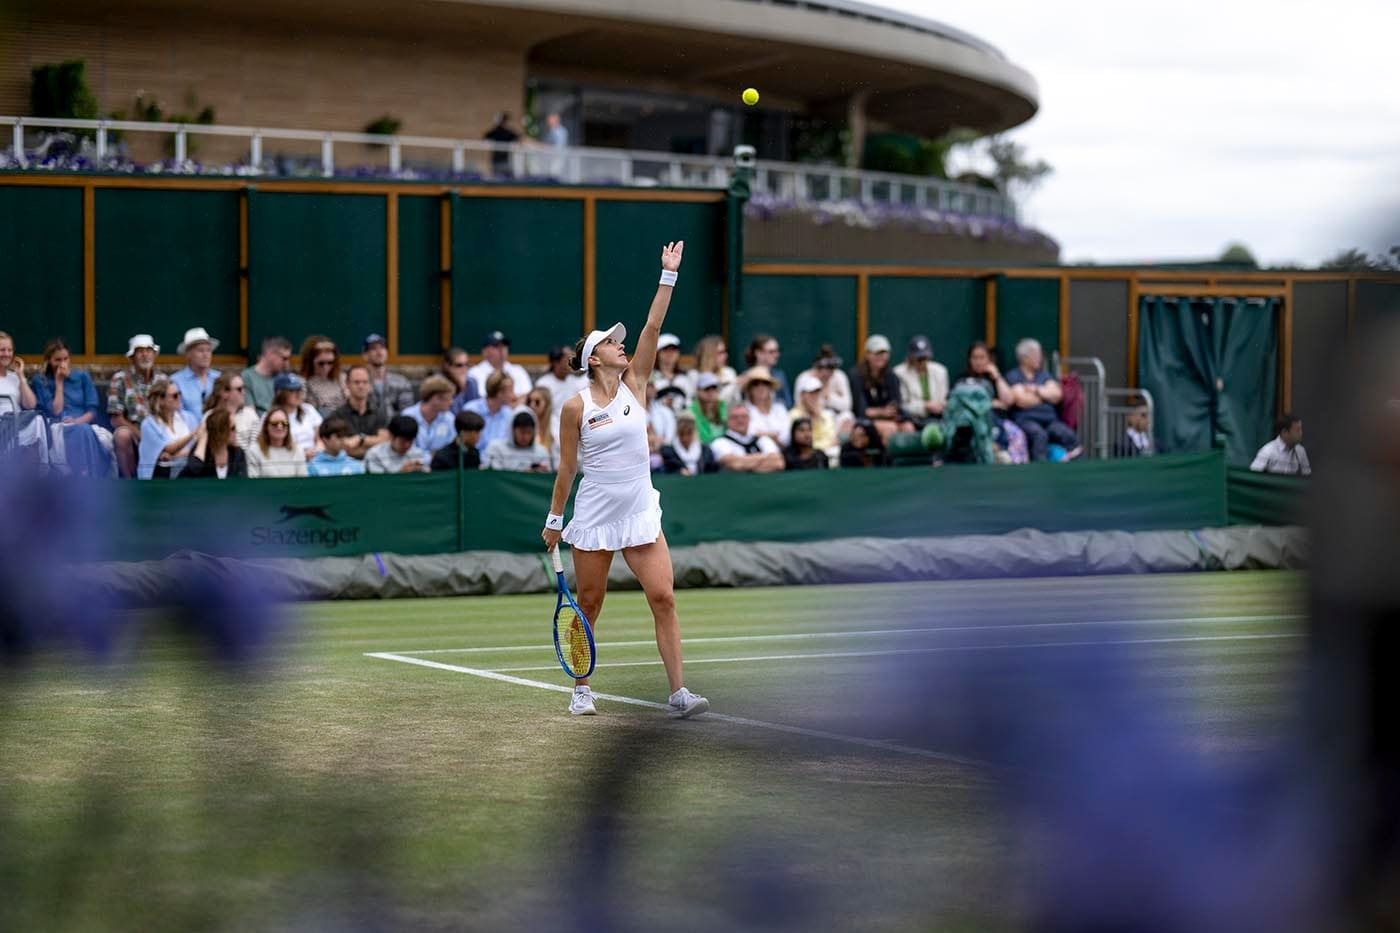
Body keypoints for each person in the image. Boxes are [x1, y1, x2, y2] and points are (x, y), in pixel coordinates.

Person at [542, 239, 709, 719]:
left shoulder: (636, 383)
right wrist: (555, 519)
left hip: (638, 508)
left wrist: (668, 274)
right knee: (589, 603)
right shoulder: (575, 407)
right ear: (594, 359)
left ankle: (678, 693)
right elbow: (566, 469)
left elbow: (653, 325)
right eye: (611, 342)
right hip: (596, 511)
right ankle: (581, 689)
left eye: (620, 342)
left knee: (664, 597)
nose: (621, 345)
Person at [31, 337, 114, 474]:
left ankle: (83, 474)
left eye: (66, 359)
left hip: (82, 424)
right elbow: (56, 411)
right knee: (81, 432)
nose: (62, 363)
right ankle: (90, 475)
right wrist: (59, 382)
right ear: (49, 361)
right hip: (57, 426)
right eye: (57, 360)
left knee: (83, 430)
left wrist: (76, 422)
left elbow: (92, 412)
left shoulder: (82, 377)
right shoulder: (41, 380)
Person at [1004, 338, 1081, 462]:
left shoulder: (1044, 374)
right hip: (1026, 420)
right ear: (1024, 358)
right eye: (1036, 355)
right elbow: (1021, 400)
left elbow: (1058, 395)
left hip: (1050, 421)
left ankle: (1078, 468)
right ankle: (1040, 470)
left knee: (1067, 434)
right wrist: (1045, 395)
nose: (1040, 358)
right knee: (1039, 435)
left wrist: (1035, 390)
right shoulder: (1013, 376)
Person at [107, 333, 163, 477]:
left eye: (149, 350)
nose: (145, 355)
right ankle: (130, 482)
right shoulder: (119, 379)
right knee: (122, 435)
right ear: (132, 357)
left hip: (160, 433)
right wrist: (142, 436)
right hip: (134, 433)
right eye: (140, 351)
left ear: (154, 354)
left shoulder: (163, 380)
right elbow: (116, 419)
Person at [851, 334, 915, 443]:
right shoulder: (856, 376)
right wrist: (881, 412)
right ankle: (887, 455)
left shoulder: (891, 376)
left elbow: (895, 403)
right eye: (877, 353)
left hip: (889, 419)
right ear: (867, 354)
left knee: (908, 427)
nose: (881, 357)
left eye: (884, 353)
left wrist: (892, 411)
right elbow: (861, 410)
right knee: (890, 428)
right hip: (863, 421)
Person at [138, 378, 198, 479]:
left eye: (179, 394)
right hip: (160, 478)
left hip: (189, 473)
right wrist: (193, 434)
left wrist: (176, 455)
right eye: (175, 396)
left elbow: (198, 447)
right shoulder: (149, 424)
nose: (179, 398)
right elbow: (170, 449)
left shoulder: (189, 418)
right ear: (160, 400)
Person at [333, 364, 391, 459]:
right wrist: (372, 444)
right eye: (357, 382)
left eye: (365, 382)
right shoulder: (337, 415)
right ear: (347, 384)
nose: (361, 386)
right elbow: (342, 447)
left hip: (376, 463)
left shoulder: (379, 412)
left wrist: (360, 439)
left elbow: (385, 441)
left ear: (370, 385)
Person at [795, 346, 854, 435]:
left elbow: (847, 406)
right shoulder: (804, 378)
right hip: (811, 418)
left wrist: (829, 397)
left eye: (832, 369)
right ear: (817, 367)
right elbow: (799, 404)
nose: (829, 373)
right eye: (826, 368)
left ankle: (838, 443)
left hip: (833, 419)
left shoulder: (839, 376)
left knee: (847, 416)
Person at [709, 404, 784, 473]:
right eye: (735, 417)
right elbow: (734, 464)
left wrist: (745, 464)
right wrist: (763, 457)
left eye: (744, 417)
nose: (740, 420)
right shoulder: (720, 442)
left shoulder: (762, 439)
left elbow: (779, 463)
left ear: (749, 419)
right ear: (727, 420)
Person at [894, 335, 949, 425]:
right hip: (912, 419)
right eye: (919, 358)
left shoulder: (940, 371)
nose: (922, 361)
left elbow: (943, 400)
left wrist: (941, 405)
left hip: (937, 418)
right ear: (911, 357)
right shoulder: (899, 373)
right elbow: (903, 405)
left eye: (925, 357)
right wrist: (925, 406)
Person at [535, 346, 588, 439]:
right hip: (551, 433)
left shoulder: (574, 381)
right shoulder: (543, 384)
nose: (571, 362)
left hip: (574, 430)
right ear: (556, 362)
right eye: (567, 359)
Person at [179, 408, 247, 479]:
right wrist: (203, 438)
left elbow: (243, 481)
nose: (236, 431)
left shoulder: (238, 453)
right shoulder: (201, 452)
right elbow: (194, 469)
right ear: (221, 431)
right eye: (233, 428)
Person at [171, 326, 222, 421]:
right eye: (200, 350)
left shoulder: (219, 378)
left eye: (208, 350)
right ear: (188, 354)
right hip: (188, 429)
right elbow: (176, 414)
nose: (206, 355)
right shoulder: (175, 381)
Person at [462, 371, 521, 451]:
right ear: (499, 393)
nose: (514, 395)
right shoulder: (471, 410)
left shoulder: (509, 414)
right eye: (511, 390)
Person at [203, 372, 261, 451]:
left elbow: (256, 447)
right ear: (224, 393)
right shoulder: (210, 416)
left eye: (244, 388)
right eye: (239, 389)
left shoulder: (250, 414)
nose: (244, 393)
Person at [790, 372, 840, 462]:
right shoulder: (793, 415)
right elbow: (804, 443)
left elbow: (833, 439)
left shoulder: (827, 415)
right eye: (811, 393)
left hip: (829, 454)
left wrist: (818, 416)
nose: (814, 397)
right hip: (806, 458)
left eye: (817, 393)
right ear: (802, 395)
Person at [271, 372, 322, 459]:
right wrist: (301, 455)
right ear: (280, 393)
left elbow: (321, 439)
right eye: (292, 391)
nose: (298, 394)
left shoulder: (309, 410)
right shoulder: (271, 417)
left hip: (314, 459)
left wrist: (316, 451)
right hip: (287, 461)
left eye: (299, 389)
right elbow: (272, 448)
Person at [245, 407, 308, 478]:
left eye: (284, 423)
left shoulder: (298, 451)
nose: (280, 426)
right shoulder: (254, 451)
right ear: (266, 427)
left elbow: (302, 482)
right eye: (274, 423)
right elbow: (253, 482)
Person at [467, 331, 532, 398]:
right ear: (485, 351)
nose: (501, 349)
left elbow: (528, 395)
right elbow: (482, 398)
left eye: (504, 346)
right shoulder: (474, 374)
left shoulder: (518, 370)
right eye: (496, 346)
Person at [362, 333, 414, 416]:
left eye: (382, 347)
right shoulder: (360, 382)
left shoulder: (401, 381)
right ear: (365, 355)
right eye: (374, 349)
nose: (379, 352)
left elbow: (407, 412)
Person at [484, 409, 551, 472]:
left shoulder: (541, 452)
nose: (525, 437)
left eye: (529, 432)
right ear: (512, 430)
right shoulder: (496, 449)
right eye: (522, 432)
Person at [403, 375, 457, 454]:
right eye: (448, 399)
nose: (451, 402)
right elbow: (406, 448)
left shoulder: (450, 418)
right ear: (435, 398)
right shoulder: (408, 416)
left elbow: (452, 447)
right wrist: (429, 457)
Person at [739, 365, 790, 447]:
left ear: (770, 387)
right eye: (756, 384)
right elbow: (747, 433)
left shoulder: (780, 408)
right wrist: (771, 436)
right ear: (749, 389)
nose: (761, 388)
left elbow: (786, 434)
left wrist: (765, 435)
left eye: (765, 383)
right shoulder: (744, 409)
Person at [241, 336, 291, 414]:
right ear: (270, 354)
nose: (287, 363)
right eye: (284, 358)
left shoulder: (285, 377)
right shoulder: (247, 377)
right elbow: (249, 412)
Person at [659, 410, 717, 475]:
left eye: (689, 433)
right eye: (681, 434)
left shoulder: (706, 451)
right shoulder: (668, 452)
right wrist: (679, 472)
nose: (685, 439)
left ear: (694, 432)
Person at [300, 335, 346, 414]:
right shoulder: (301, 382)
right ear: (310, 361)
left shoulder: (342, 379)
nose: (326, 367)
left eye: (330, 363)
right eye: (321, 363)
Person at [743, 334, 792, 407]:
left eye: (777, 351)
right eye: (771, 352)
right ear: (758, 353)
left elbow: (788, 403)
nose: (777, 355)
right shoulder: (746, 376)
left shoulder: (780, 375)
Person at [687, 335, 738, 404]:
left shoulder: (729, 372)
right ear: (708, 354)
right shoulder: (693, 375)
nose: (726, 356)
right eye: (720, 353)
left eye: (725, 352)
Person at [523, 386, 560, 467]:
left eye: (537, 402)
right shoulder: (523, 421)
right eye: (529, 401)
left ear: (546, 403)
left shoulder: (555, 423)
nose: (532, 405)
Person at [650, 332, 692, 401]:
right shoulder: (650, 378)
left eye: (673, 350)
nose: (670, 353)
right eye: (665, 350)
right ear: (657, 353)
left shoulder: (686, 377)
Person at [688, 371, 727, 444]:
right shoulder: (690, 412)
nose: (711, 392)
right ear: (698, 390)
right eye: (707, 388)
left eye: (714, 388)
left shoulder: (723, 406)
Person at [439, 346, 480, 413]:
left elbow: (475, 409)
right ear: (447, 366)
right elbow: (449, 412)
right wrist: (460, 389)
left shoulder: (471, 382)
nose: (464, 369)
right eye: (459, 365)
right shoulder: (439, 383)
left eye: (466, 364)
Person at [483, 112, 519, 177]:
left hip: (504, 161)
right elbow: (486, 137)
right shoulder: (497, 132)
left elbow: (518, 137)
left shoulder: (506, 132)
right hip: (498, 161)